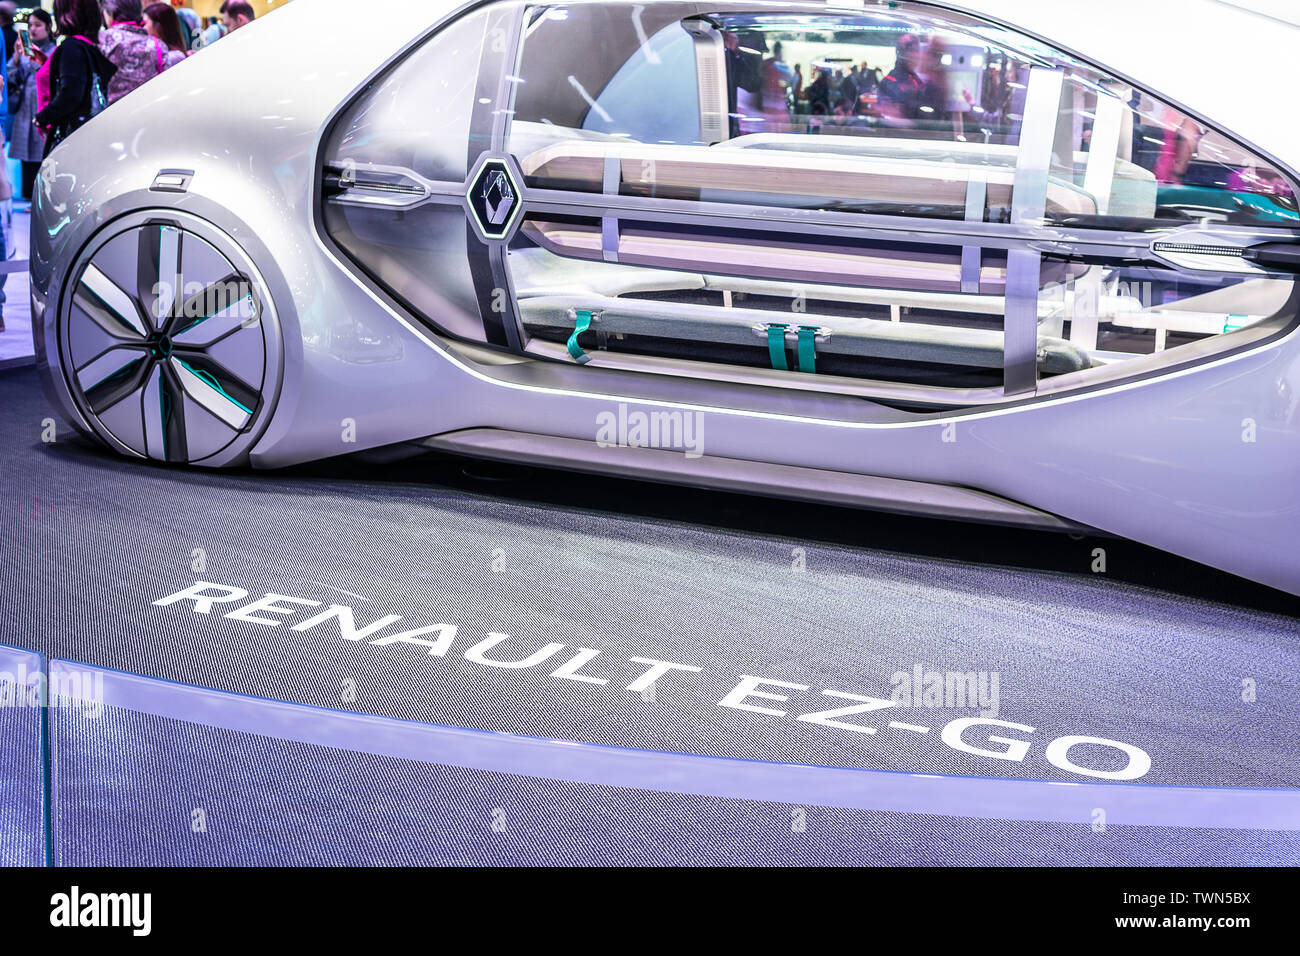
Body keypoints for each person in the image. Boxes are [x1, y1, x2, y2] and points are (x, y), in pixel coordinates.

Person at [34, 0, 116, 157]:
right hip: (85, 134)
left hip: (72, 136)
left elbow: (71, 94)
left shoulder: (72, 48)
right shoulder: (86, 46)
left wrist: (42, 118)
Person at [9, 8, 55, 199]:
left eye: (38, 25)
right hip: (25, 108)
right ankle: (28, 195)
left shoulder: (54, 50)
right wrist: (17, 59)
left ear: (48, 27)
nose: (34, 30)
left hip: (43, 105)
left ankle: (41, 199)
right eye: (31, 26)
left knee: (42, 155)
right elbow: (11, 77)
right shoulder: (24, 50)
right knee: (26, 155)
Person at [99, 0, 177, 103]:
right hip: (150, 109)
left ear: (112, 13)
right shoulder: (157, 44)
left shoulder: (103, 40)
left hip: (111, 114)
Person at [878, 33, 924, 126]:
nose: (919, 55)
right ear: (904, 54)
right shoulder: (893, 82)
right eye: (915, 50)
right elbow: (892, 117)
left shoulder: (913, 79)